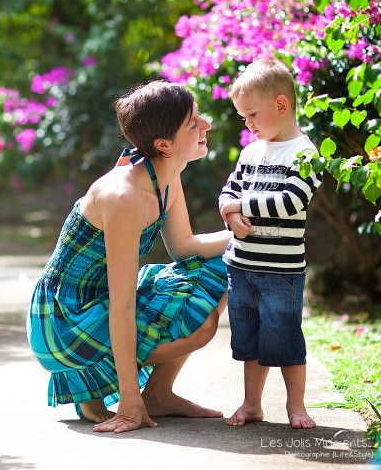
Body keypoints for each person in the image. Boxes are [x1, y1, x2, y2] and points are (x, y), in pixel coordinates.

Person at [27, 80, 232, 433]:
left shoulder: (165, 173)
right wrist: (128, 401)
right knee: (202, 325)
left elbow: (186, 247)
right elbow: (122, 306)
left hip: (101, 302)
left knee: (225, 266)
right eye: (193, 123)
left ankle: (159, 394)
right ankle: (121, 393)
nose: (207, 125)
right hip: (65, 320)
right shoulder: (124, 197)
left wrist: (251, 232)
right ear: (163, 144)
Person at [218, 59, 323, 429]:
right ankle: (252, 404)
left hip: (281, 272)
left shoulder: (306, 155)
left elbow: (290, 201)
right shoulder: (252, 152)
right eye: (243, 117)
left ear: (281, 105)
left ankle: (296, 405)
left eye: (252, 115)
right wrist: (229, 215)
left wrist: (239, 206)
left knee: (285, 336)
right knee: (250, 339)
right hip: (242, 266)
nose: (248, 124)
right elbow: (229, 191)